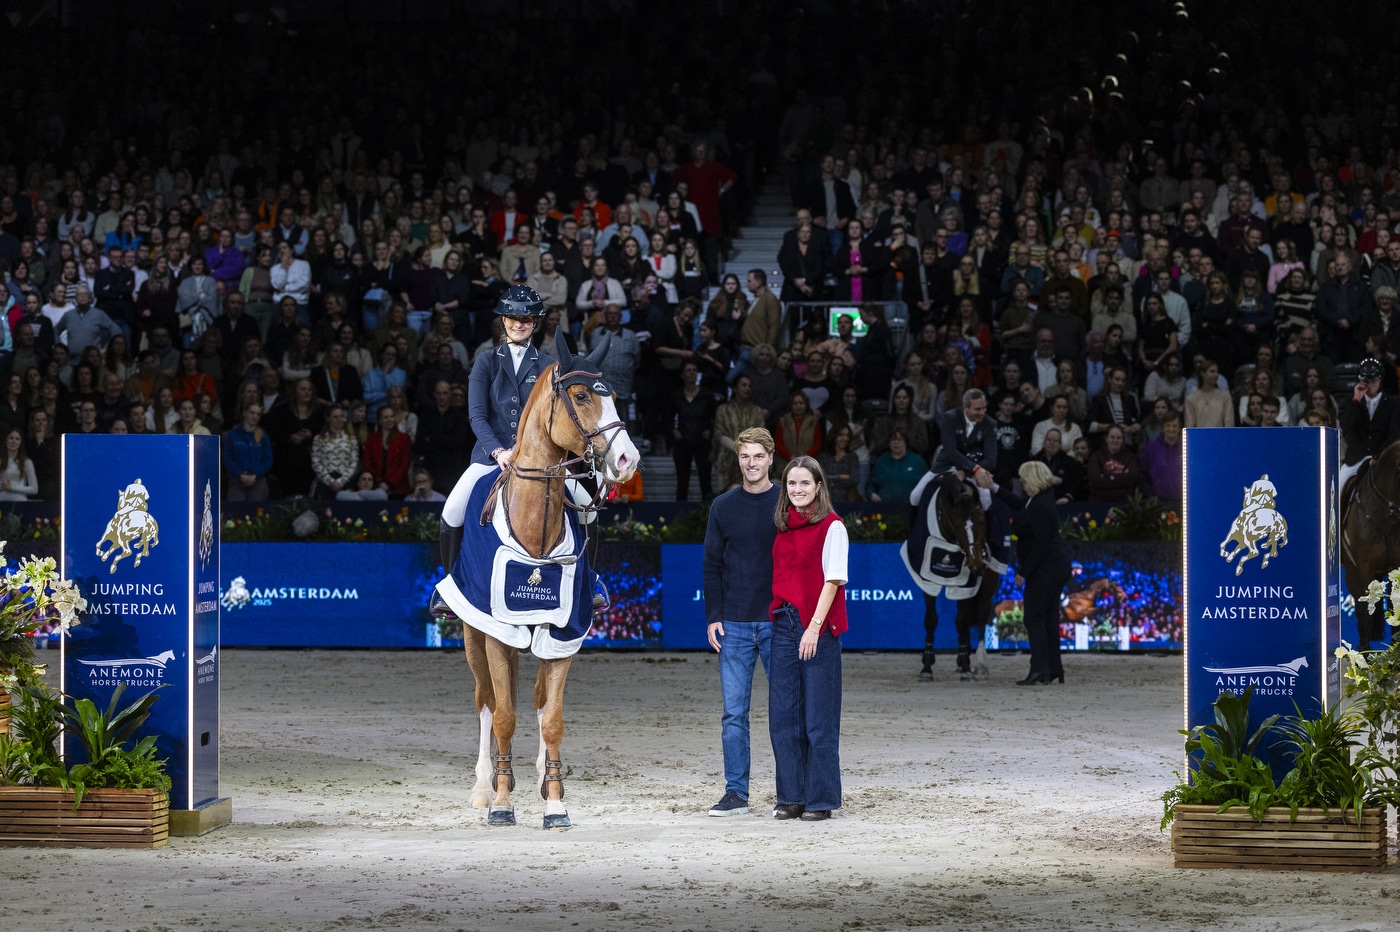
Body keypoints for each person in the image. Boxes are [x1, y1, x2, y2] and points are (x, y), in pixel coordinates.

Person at [702, 427, 780, 818]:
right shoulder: (723, 506)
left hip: (778, 622)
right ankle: (736, 793)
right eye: (744, 457)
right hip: (732, 624)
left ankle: (791, 793)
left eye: (758, 456)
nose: (751, 464)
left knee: (785, 711)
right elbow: (711, 565)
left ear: (770, 458)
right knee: (734, 714)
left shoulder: (789, 500)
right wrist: (713, 617)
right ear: (739, 460)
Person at [769, 455, 849, 822]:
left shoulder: (832, 527)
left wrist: (813, 628)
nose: (797, 490)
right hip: (783, 625)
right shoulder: (783, 527)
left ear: (818, 487)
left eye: (805, 483)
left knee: (818, 720)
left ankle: (821, 799)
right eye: (791, 483)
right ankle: (791, 797)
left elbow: (833, 580)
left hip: (816, 627)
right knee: (784, 718)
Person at [992, 461, 1070, 685]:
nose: (1021, 482)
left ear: (1033, 479)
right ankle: (1052, 669)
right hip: (1053, 566)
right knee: (1047, 620)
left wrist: (1023, 572)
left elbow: (1041, 544)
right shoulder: (1038, 500)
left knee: (1034, 617)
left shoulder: (1041, 505)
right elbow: (1018, 503)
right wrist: (994, 488)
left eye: (1024, 478)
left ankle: (1039, 669)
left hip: (1047, 568)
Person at [468, 286, 546, 467]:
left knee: (578, 495)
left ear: (535, 322)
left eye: (525, 319)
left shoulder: (548, 365)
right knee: (457, 496)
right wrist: (498, 452)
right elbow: (477, 416)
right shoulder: (486, 361)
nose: (518, 325)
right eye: (513, 318)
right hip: (490, 456)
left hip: (537, 458)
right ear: (504, 320)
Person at [1340, 357, 1400, 488]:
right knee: (1337, 488)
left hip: (1382, 457)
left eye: (1374, 381)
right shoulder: (1350, 402)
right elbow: (1345, 425)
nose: (1370, 385)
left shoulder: (1393, 404)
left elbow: (1394, 434)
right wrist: (1356, 400)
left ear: (1380, 381)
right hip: (1355, 459)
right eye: (1366, 381)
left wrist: (1380, 456)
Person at [223, 403, 273, 501]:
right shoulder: (233, 435)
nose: (255, 416)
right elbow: (227, 458)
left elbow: (268, 460)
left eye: (258, 414)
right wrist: (240, 474)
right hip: (236, 478)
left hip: (258, 478)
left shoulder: (263, 436)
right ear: (245, 413)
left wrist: (255, 474)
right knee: (236, 508)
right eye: (252, 413)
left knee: (256, 506)